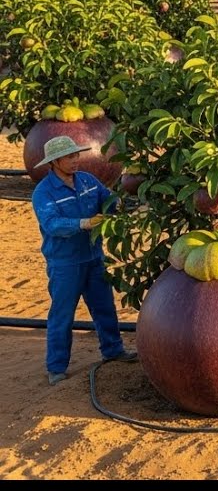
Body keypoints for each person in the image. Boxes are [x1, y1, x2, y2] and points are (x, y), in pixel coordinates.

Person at [31, 135, 137, 386]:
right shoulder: (43, 193)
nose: (76, 160)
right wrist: (84, 223)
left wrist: (120, 201)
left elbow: (107, 200)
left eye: (76, 154)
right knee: (62, 314)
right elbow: (52, 224)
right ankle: (56, 367)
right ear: (55, 161)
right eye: (70, 156)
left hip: (93, 256)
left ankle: (113, 350)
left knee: (104, 306)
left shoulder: (88, 181)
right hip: (65, 263)